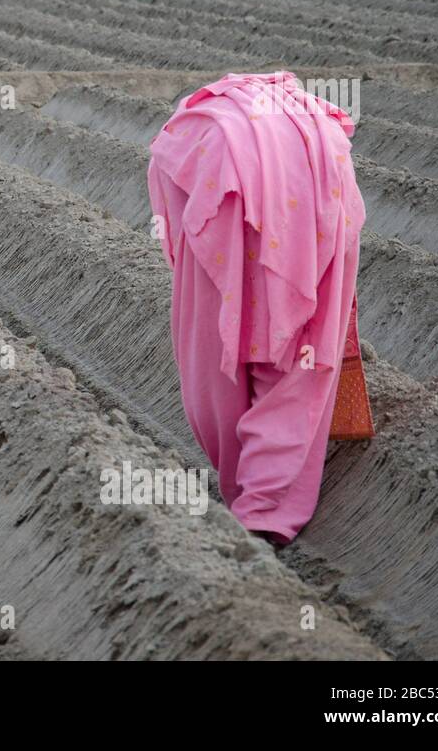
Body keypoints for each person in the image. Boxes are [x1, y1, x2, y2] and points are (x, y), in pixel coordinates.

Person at [147, 72, 374, 545]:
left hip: (225, 204)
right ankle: (267, 505)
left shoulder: (189, 125)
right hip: (320, 210)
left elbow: (172, 224)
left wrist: (197, 267)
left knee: (217, 348)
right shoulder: (316, 121)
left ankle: (246, 489)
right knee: (298, 354)